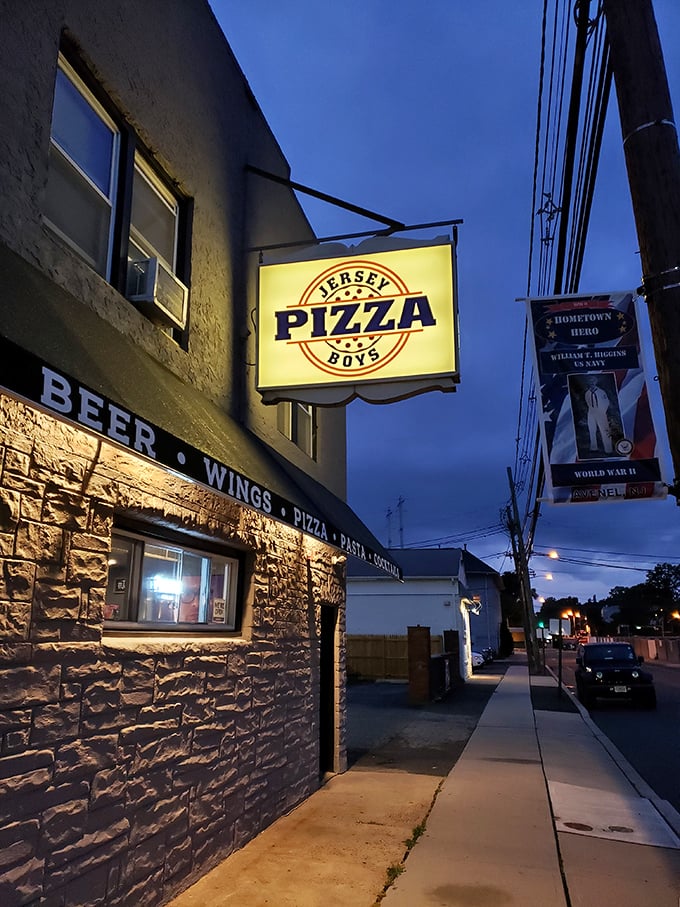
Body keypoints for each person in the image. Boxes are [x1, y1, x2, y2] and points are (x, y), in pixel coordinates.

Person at [584, 375, 612, 453]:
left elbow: (606, 402)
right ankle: (594, 448)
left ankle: (608, 449)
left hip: (600, 412)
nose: (591, 383)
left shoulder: (601, 392)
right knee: (592, 430)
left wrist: (602, 411)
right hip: (591, 413)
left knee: (604, 431)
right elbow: (588, 403)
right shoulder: (587, 393)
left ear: (595, 382)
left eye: (593, 381)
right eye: (590, 382)